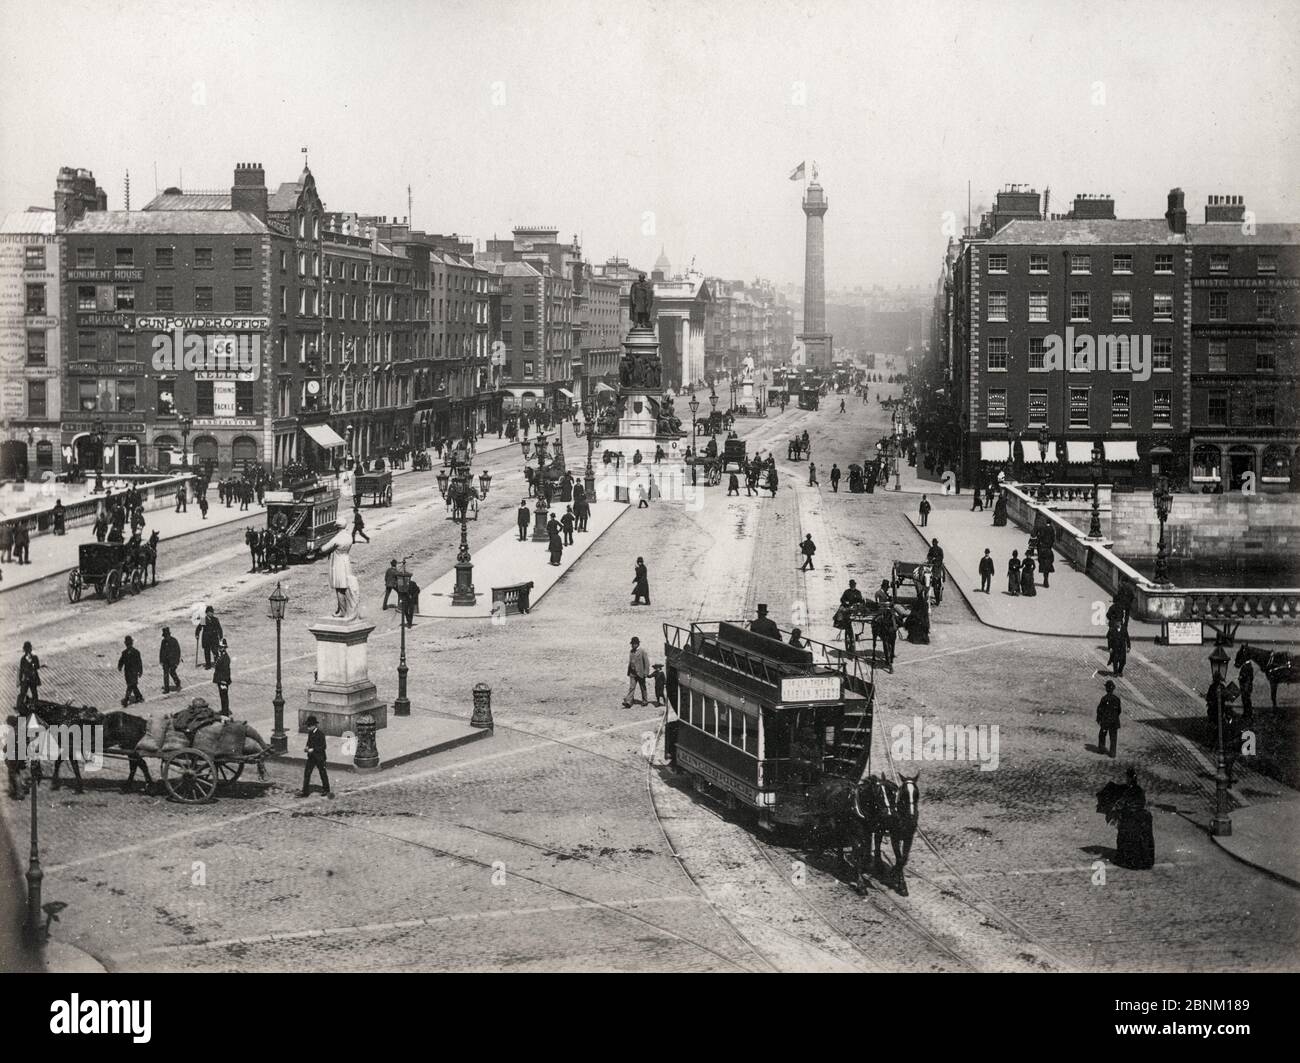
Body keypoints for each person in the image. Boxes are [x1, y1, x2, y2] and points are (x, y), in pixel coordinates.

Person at [298, 715, 332, 798]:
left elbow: (323, 747)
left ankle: (326, 789)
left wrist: (313, 750)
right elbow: (309, 742)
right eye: (308, 726)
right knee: (307, 773)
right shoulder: (310, 733)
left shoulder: (320, 734)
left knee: (322, 773)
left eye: (309, 726)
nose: (308, 727)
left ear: (314, 725)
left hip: (319, 757)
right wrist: (307, 747)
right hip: (311, 757)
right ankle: (305, 791)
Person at [1096, 680, 1121, 757]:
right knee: (1113, 737)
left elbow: (1099, 710)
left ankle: (1102, 749)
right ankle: (1113, 753)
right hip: (1114, 721)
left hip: (1106, 721)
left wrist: (1099, 719)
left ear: (1106, 689)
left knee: (1102, 735)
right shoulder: (1117, 699)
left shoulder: (1104, 698)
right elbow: (1119, 711)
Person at [118, 635, 144, 707]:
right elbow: (121, 661)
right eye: (127, 644)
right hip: (127, 672)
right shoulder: (124, 652)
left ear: (131, 644)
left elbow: (139, 662)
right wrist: (120, 666)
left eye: (129, 643)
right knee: (133, 685)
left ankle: (126, 700)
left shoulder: (136, 652)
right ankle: (139, 697)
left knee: (130, 685)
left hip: (133, 672)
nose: (128, 645)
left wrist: (140, 671)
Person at [623, 637, 650, 707]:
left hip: (641, 673)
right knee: (632, 687)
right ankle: (629, 701)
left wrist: (646, 672)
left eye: (633, 644)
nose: (632, 645)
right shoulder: (631, 651)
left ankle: (645, 700)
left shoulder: (642, 651)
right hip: (632, 673)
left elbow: (646, 663)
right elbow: (630, 661)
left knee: (643, 687)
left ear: (637, 644)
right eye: (632, 644)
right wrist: (629, 671)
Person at [17, 641, 41, 712]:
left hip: (32, 678)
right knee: (24, 693)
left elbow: (37, 666)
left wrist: (33, 665)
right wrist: (20, 680)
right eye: (26, 649)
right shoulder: (23, 659)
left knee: (34, 693)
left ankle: (35, 707)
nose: (27, 650)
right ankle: (21, 707)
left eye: (28, 648)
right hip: (27, 678)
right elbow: (21, 670)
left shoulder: (34, 657)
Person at [158, 626, 183, 693]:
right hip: (165, 661)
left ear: (169, 634)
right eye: (165, 636)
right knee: (165, 674)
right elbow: (161, 651)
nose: (166, 637)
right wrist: (161, 660)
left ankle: (177, 682)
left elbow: (178, 652)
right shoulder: (163, 642)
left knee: (172, 672)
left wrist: (176, 661)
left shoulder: (174, 641)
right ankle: (166, 689)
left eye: (167, 635)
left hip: (173, 661)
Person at [212, 640, 232, 715]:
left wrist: (224, 681)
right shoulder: (220, 656)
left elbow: (226, 671)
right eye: (219, 647)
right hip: (220, 679)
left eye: (221, 647)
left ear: (224, 648)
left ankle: (225, 712)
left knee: (224, 697)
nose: (219, 648)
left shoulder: (225, 658)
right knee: (222, 696)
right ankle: (224, 710)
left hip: (223, 680)